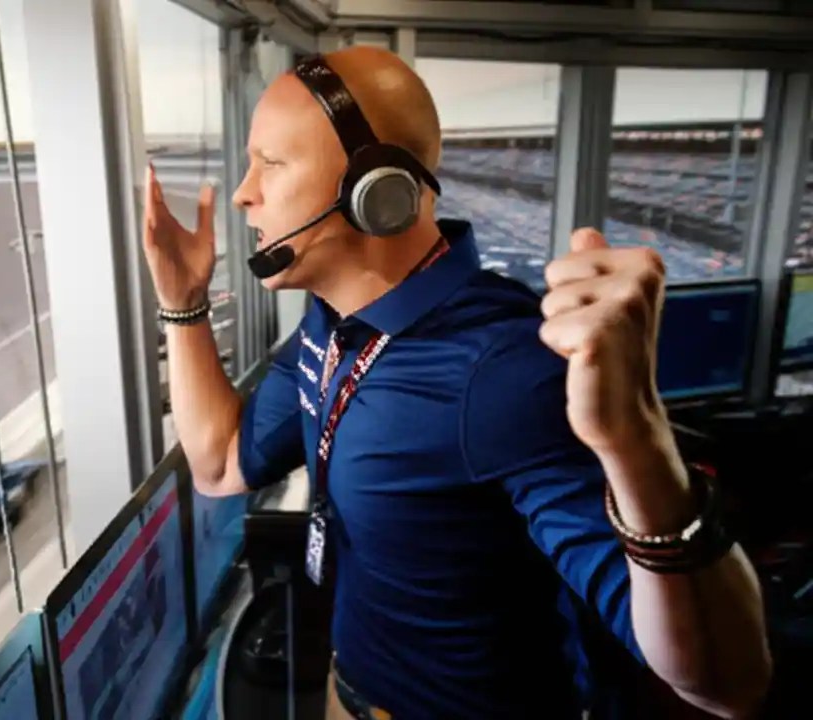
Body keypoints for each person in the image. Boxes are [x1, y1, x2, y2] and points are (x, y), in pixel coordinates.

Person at [141, 46, 771, 719]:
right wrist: (184, 302)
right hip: (346, 691)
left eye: (271, 163)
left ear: (375, 189)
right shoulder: (331, 325)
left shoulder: (503, 370)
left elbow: (728, 684)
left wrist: (637, 440)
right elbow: (219, 463)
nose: (244, 192)